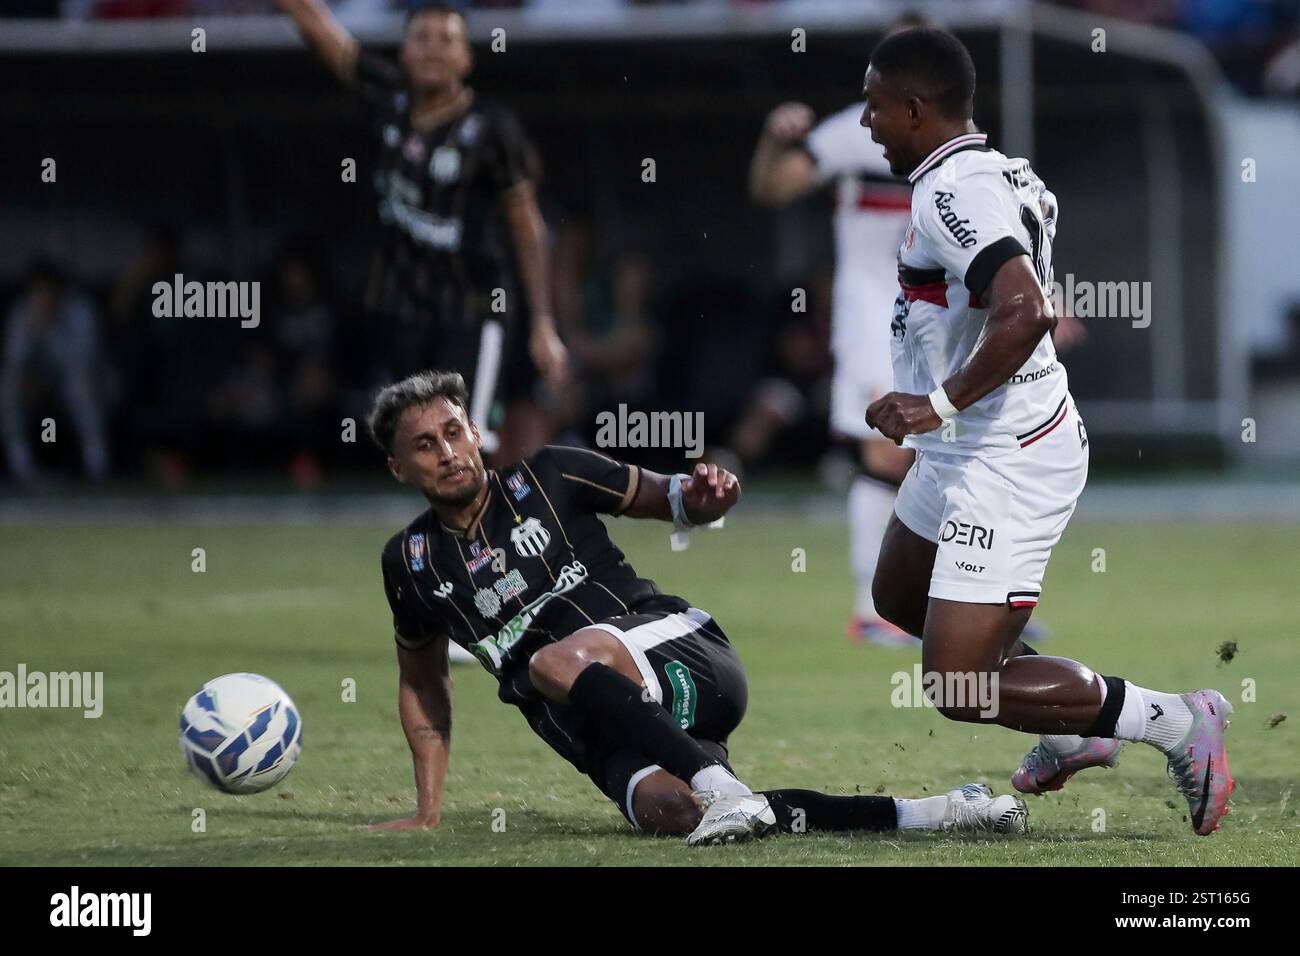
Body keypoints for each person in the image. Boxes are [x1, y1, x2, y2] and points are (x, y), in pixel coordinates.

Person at [365, 369, 1029, 844]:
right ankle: (935, 812)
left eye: (454, 431)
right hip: (604, 727)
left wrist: (706, 495)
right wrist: (428, 809)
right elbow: (424, 685)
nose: (448, 452)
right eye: (425, 445)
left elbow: (670, 496)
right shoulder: (410, 563)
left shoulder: (548, 472)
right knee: (678, 814)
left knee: (550, 660)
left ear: (476, 431)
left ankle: (723, 789)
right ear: (398, 467)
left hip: (678, 650)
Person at [859, 27, 1232, 834]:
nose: (867, 123)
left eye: (875, 105)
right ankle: (1066, 729)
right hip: (963, 447)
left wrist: (940, 402)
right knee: (897, 595)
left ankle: (1174, 718)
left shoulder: (949, 192)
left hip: (1007, 454)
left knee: (958, 684)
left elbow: (1027, 307)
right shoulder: (994, 170)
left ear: (916, 109)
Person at [274, 0, 567, 462]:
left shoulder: (491, 129)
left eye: (446, 39)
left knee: (471, 441)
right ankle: (454, 536)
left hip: (475, 308)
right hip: (405, 307)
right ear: (403, 51)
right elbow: (320, 29)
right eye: (422, 37)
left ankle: (501, 535)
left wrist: (544, 322)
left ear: (467, 58)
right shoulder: (387, 100)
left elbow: (527, 225)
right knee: (425, 445)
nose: (433, 49)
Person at [749, 13, 928, 647]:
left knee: (947, 459)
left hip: (938, 325)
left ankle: (957, 608)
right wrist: (775, 139)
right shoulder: (858, 132)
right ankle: (869, 609)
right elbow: (772, 187)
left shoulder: (962, 141)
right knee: (886, 449)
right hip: (872, 315)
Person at [1, 259, 109, 483]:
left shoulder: (80, 311)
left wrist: (50, 329)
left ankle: (96, 461)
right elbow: (13, 359)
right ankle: (21, 465)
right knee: (7, 386)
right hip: (39, 388)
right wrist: (32, 330)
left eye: (49, 290)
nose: (44, 297)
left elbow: (83, 361)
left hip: (88, 384)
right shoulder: (23, 312)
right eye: (39, 291)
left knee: (78, 383)